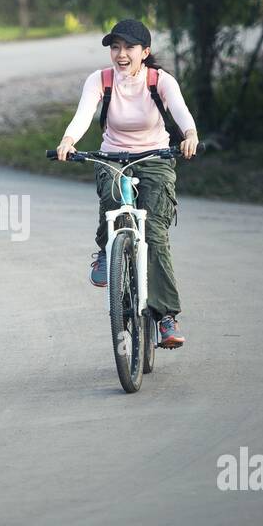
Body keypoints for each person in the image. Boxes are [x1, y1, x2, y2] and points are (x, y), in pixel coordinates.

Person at [55, 19, 199, 348]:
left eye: (129, 48)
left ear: (144, 52)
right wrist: (68, 140)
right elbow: (82, 114)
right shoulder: (100, 80)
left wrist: (190, 135)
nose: (121, 54)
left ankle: (165, 317)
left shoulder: (160, 81)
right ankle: (107, 253)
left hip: (155, 157)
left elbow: (181, 111)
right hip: (112, 157)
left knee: (155, 233)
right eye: (115, 47)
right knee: (110, 197)